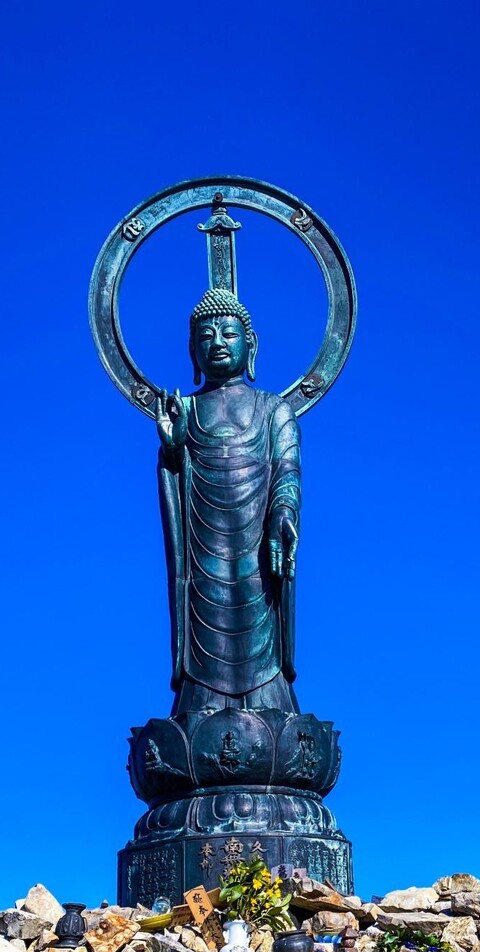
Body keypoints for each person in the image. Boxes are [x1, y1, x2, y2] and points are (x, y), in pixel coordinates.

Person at [154, 287, 302, 714]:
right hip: (202, 566)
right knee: (205, 639)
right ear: (191, 350)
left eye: (228, 333)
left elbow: (287, 473)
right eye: (205, 335)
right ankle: (200, 701)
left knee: (263, 647)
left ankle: (270, 699)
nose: (216, 343)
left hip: (258, 559)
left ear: (250, 345)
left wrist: (283, 513)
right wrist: (172, 448)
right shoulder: (186, 410)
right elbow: (173, 471)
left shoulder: (274, 410)